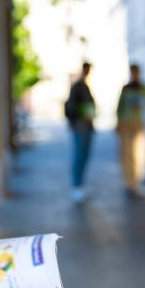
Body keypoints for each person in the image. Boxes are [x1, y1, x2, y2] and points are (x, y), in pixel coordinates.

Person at [116, 64, 145, 195]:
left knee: (139, 152)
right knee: (126, 152)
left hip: (138, 123)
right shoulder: (126, 88)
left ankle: (136, 181)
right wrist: (118, 123)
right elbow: (119, 107)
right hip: (126, 122)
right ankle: (128, 180)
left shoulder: (143, 88)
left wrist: (141, 104)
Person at [64, 62, 96, 202]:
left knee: (85, 155)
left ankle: (80, 184)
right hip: (80, 126)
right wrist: (82, 115)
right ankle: (76, 185)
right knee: (79, 155)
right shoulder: (77, 86)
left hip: (87, 126)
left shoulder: (85, 86)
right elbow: (71, 107)